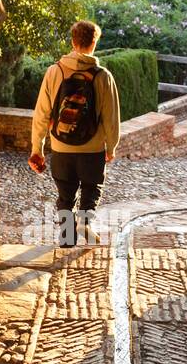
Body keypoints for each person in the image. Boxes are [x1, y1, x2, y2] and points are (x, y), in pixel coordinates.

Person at [28, 19, 121, 247]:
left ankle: (67, 238)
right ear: (94, 43)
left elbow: (41, 113)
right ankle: (85, 221)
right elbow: (111, 117)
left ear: (73, 41)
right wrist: (111, 146)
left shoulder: (54, 71)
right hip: (93, 146)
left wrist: (36, 148)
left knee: (65, 194)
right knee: (91, 187)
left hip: (61, 146)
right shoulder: (103, 76)